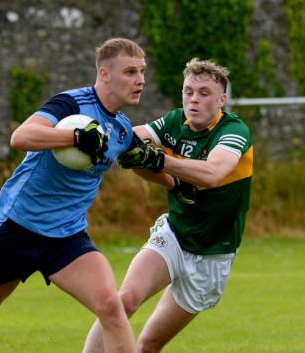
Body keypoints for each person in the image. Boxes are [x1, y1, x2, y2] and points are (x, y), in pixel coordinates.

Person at [0, 38, 150, 353]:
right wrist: (73, 136)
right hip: (18, 228)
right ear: (104, 73)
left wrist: (177, 183)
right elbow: (21, 136)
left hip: (67, 237)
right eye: (130, 71)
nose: (140, 80)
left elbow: (148, 165)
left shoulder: (123, 130)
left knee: (111, 306)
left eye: (142, 72)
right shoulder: (70, 104)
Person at [82, 58, 253, 352]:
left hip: (213, 254)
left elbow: (213, 174)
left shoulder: (233, 130)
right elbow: (131, 138)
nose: (193, 99)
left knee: (148, 344)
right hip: (173, 235)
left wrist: (159, 160)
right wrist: (98, 138)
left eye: (203, 93)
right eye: (188, 91)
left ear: (222, 100)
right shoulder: (175, 122)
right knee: (123, 301)